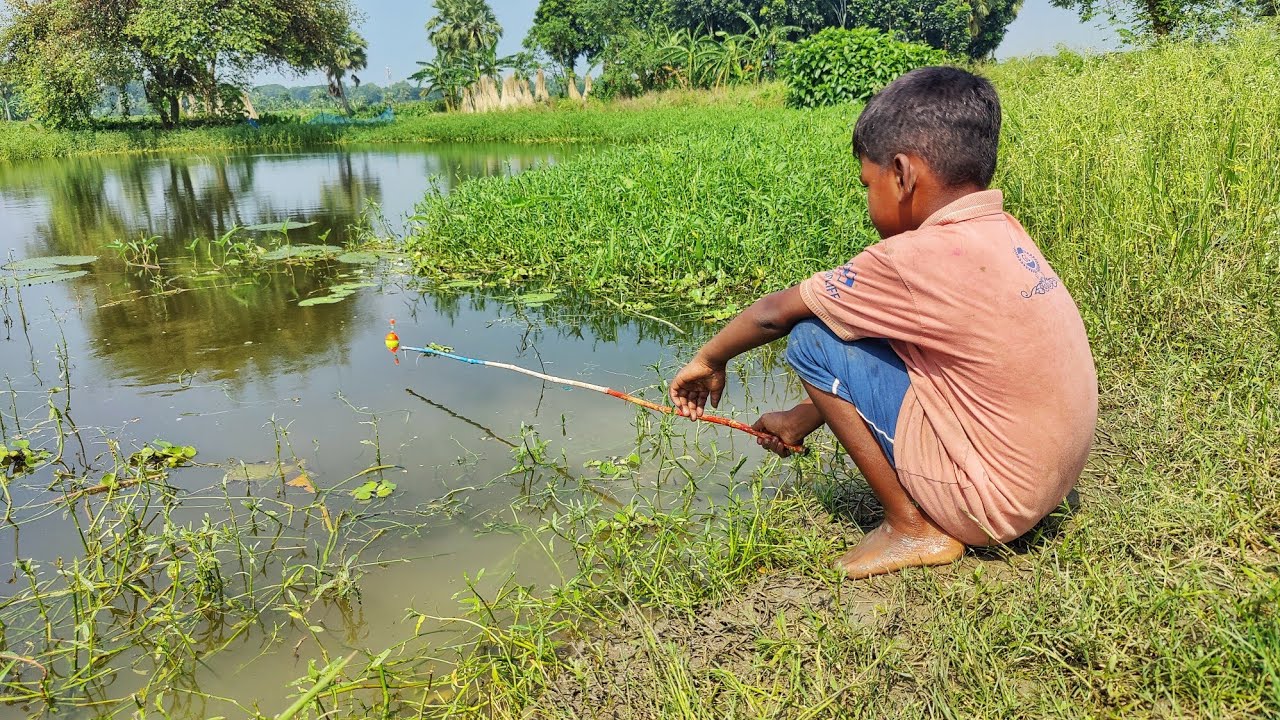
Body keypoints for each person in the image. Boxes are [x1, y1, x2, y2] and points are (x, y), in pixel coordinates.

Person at [669, 66, 1098, 580]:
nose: (868, 199)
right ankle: (918, 506)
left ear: (902, 173)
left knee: (811, 338)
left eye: (867, 184)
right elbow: (904, 351)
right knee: (862, 325)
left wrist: (708, 359)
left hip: (992, 504)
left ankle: (911, 527)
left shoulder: (910, 259)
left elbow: (772, 314)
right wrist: (802, 418)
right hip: (1050, 483)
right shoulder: (1000, 230)